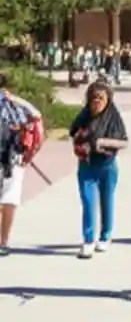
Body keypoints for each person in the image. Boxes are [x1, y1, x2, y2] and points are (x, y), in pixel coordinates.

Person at [68, 81, 129, 259]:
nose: (97, 101)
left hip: (107, 165)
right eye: (94, 97)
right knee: (88, 202)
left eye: (101, 98)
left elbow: (124, 142)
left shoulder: (113, 118)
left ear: (108, 99)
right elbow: (74, 133)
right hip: (87, 165)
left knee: (106, 200)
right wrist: (80, 143)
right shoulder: (84, 116)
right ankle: (88, 240)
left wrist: (102, 142)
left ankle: (105, 236)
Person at [0, 72, 43, 256]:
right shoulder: (15, 104)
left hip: (8, 157)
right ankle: (3, 242)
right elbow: (37, 117)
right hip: (15, 159)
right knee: (9, 201)